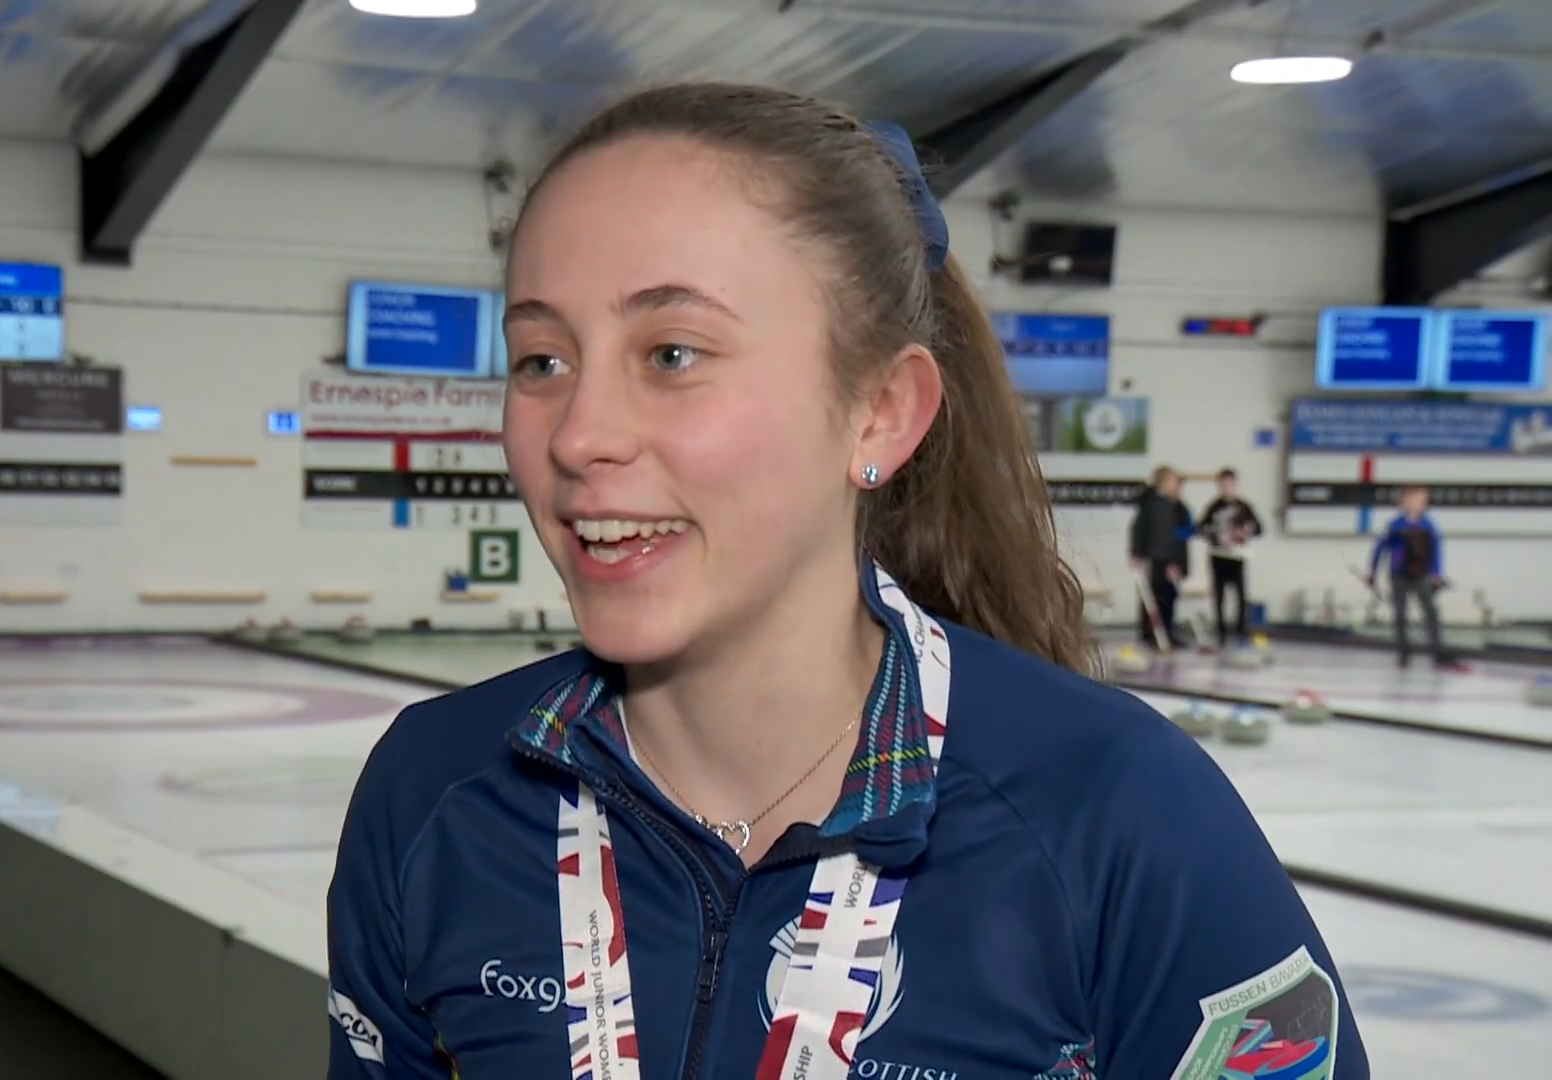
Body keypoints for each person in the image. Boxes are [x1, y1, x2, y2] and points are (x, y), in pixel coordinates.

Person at [327, 83, 1366, 1080]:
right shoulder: (434, 794)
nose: (582, 434)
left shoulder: (1120, 815)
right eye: (541, 360)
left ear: (879, 412)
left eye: (673, 353)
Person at [1368, 485, 1459, 670]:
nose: (1420, 504)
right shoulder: (1396, 525)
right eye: (1416, 500)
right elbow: (1380, 547)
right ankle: (1404, 653)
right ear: (1405, 502)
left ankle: (1437, 651)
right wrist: (1373, 570)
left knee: (1430, 611)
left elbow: (1436, 551)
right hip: (1399, 573)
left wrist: (1436, 573)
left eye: (1423, 501)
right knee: (1400, 614)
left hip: (1421, 574)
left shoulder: (1428, 525)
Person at [1128, 465, 1194, 649]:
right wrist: (1136, 552)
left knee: (1169, 597)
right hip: (1158, 558)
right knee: (1155, 597)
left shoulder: (1174, 506)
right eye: (1173, 481)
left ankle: (1167, 631)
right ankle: (1152, 633)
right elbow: (1140, 530)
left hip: (1169, 559)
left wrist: (1175, 561)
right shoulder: (1152, 505)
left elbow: (1182, 533)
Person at [1199, 467, 1263, 645]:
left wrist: (1244, 532)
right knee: (1218, 595)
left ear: (1236, 485)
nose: (1226, 488)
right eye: (1223, 484)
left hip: (1237, 556)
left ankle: (1241, 629)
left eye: (1230, 484)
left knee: (1241, 594)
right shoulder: (1213, 507)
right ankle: (1221, 631)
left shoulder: (1244, 506)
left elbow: (1259, 528)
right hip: (1218, 555)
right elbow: (1200, 528)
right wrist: (1217, 537)